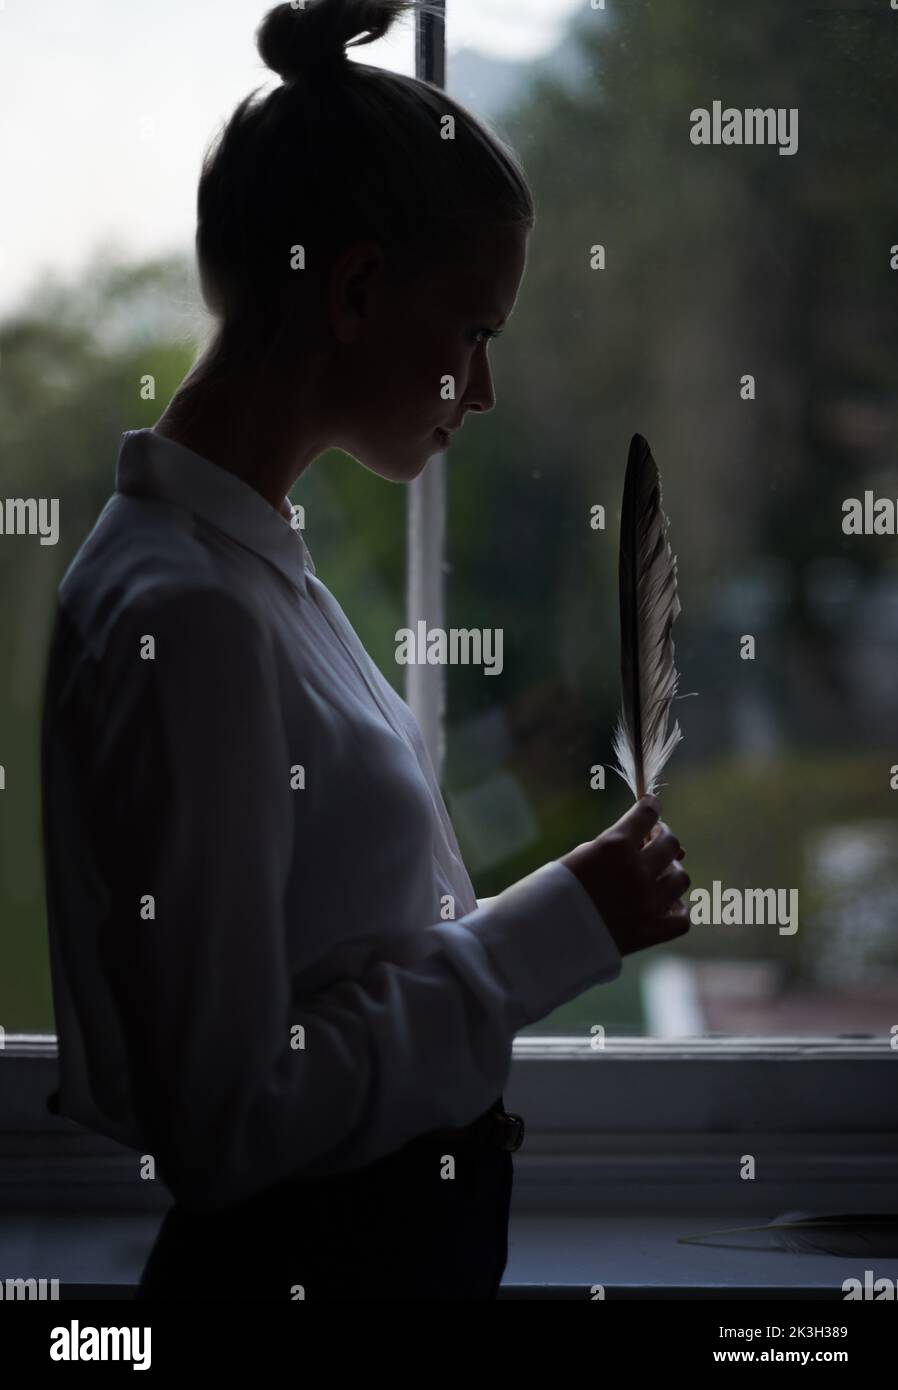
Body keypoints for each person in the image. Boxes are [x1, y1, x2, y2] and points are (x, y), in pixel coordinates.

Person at [40, 0, 690, 1301]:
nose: (483, 388)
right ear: (351, 290)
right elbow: (230, 1125)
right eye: (472, 334)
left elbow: (341, 957)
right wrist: (550, 932)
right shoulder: (193, 614)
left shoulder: (241, 562)